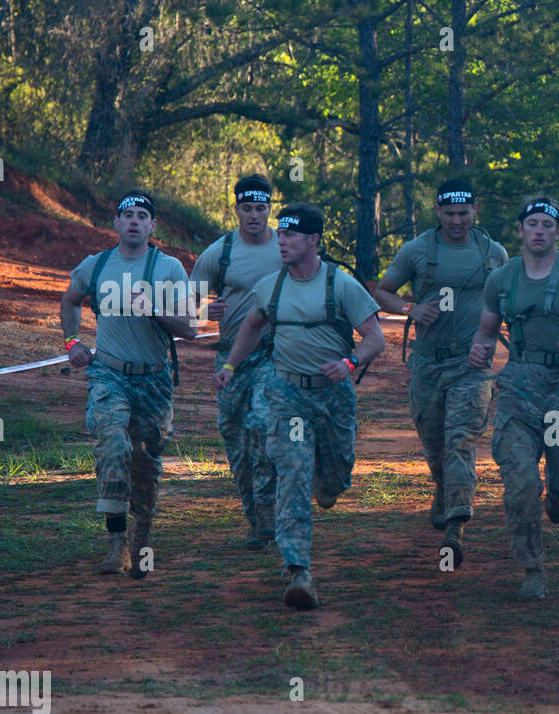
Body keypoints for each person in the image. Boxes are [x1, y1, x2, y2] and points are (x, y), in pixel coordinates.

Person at [214, 203, 385, 609]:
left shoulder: (340, 285)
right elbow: (252, 326)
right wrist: (230, 366)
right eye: (281, 234)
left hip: (332, 397)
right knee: (292, 471)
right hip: (287, 395)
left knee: (333, 479)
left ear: (313, 241)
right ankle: (297, 570)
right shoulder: (270, 287)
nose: (283, 241)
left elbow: (375, 339)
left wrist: (349, 362)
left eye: (291, 235)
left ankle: (329, 487)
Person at [469, 198, 559, 599]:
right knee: (519, 484)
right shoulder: (502, 279)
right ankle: (532, 568)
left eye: (547, 225)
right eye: (531, 223)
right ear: (521, 230)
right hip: (517, 387)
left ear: (557, 232)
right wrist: (479, 349)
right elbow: (485, 330)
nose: (538, 230)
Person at [59, 189, 196, 578]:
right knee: (113, 444)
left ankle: (143, 533)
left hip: (153, 379)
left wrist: (154, 309)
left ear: (153, 226)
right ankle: (116, 542)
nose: (134, 220)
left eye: (142, 215)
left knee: (145, 463)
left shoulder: (168, 268)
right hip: (108, 374)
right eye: (127, 214)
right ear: (116, 223)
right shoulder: (96, 266)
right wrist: (73, 342)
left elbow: (189, 329)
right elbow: (70, 300)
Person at [374, 180, 508, 566]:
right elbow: (383, 291)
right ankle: (442, 486)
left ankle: (456, 525)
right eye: (449, 213)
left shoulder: (493, 253)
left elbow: (510, 297)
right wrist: (408, 310)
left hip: (473, 365)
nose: (456, 220)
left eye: (463, 213)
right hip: (428, 364)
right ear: (438, 212)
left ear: (474, 211)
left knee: (460, 440)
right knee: (435, 443)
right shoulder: (417, 251)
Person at [189, 173, 283, 549]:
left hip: (274, 356)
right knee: (237, 441)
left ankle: (270, 512)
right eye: (247, 209)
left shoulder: (286, 247)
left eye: (261, 208)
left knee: (262, 427)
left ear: (269, 209)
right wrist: (204, 309)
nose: (255, 216)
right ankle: (255, 516)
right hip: (230, 358)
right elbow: (185, 305)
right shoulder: (220, 252)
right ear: (236, 210)